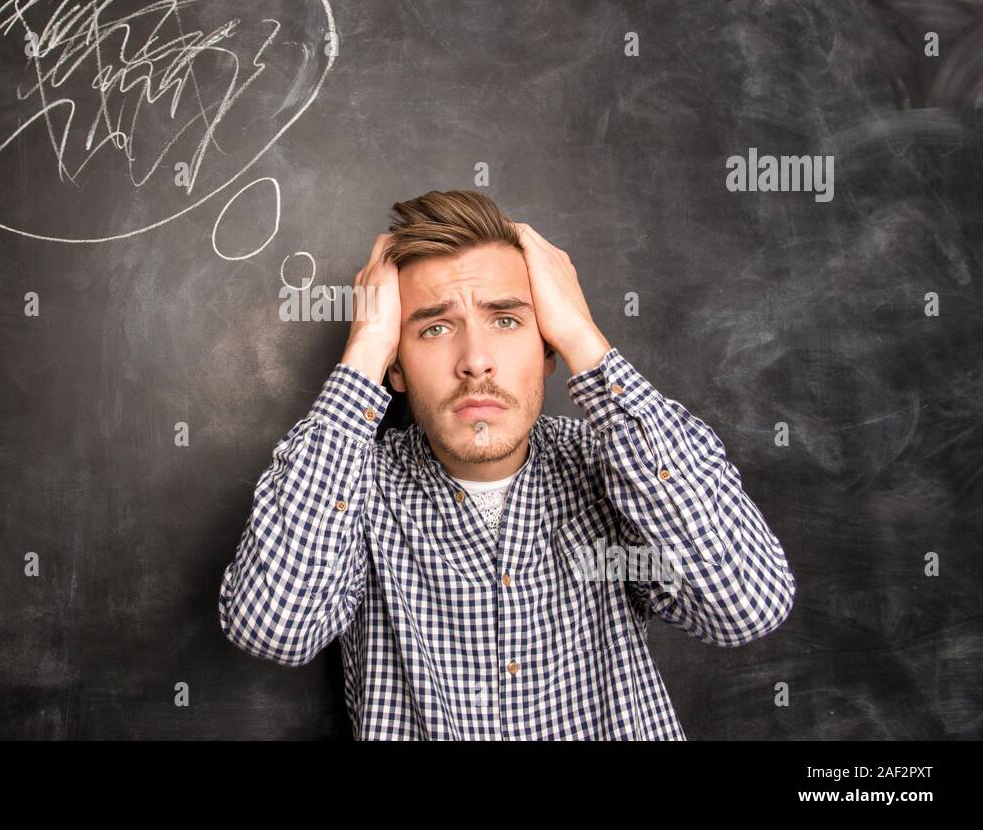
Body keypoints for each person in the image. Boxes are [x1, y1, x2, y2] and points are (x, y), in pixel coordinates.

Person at [217, 189, 796, 739]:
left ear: (546, 350)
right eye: (435, 327)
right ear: (397, 368)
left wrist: (581, 334)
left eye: (506, 320)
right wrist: (366, 347)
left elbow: (745, 608)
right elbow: (276, 630)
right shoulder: (354, 484)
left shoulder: (615, 465)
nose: (475, 362)